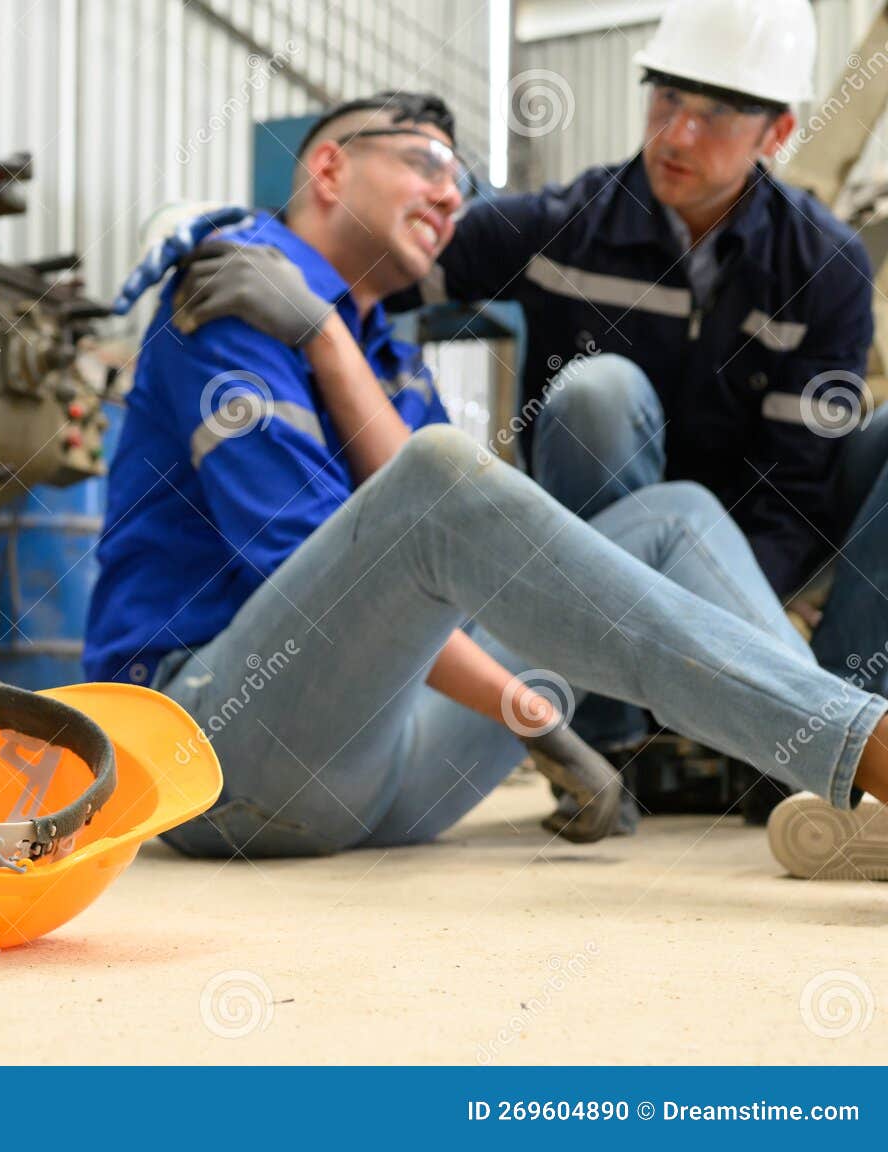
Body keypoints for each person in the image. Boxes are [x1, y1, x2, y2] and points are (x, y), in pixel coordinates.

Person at [82, 91, 888, 860]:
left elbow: (434, 570)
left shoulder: (385, 357)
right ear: (329, 168)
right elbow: (309, 561)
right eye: (426, 163)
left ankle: (827, 792)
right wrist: (533, 713)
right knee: (443, 473)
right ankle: (871, 753)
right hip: (218, 757)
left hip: (380, 765)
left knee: (673, 517)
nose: (449, 196)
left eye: (460, 181)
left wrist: (331, 338)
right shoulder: (234, 290)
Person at [391, 0, 888, 722]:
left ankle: (843, 717)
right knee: (599, 393)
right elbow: (383, 265)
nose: (678, 133)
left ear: (777, 132)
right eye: (668, 98)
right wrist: (264, 254)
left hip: (758, 550)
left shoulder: (824, 267)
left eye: (718, 114)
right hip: (605, 548)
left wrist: (722, 628)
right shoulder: (567, 228)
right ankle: (609, 723)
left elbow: (794, 491)